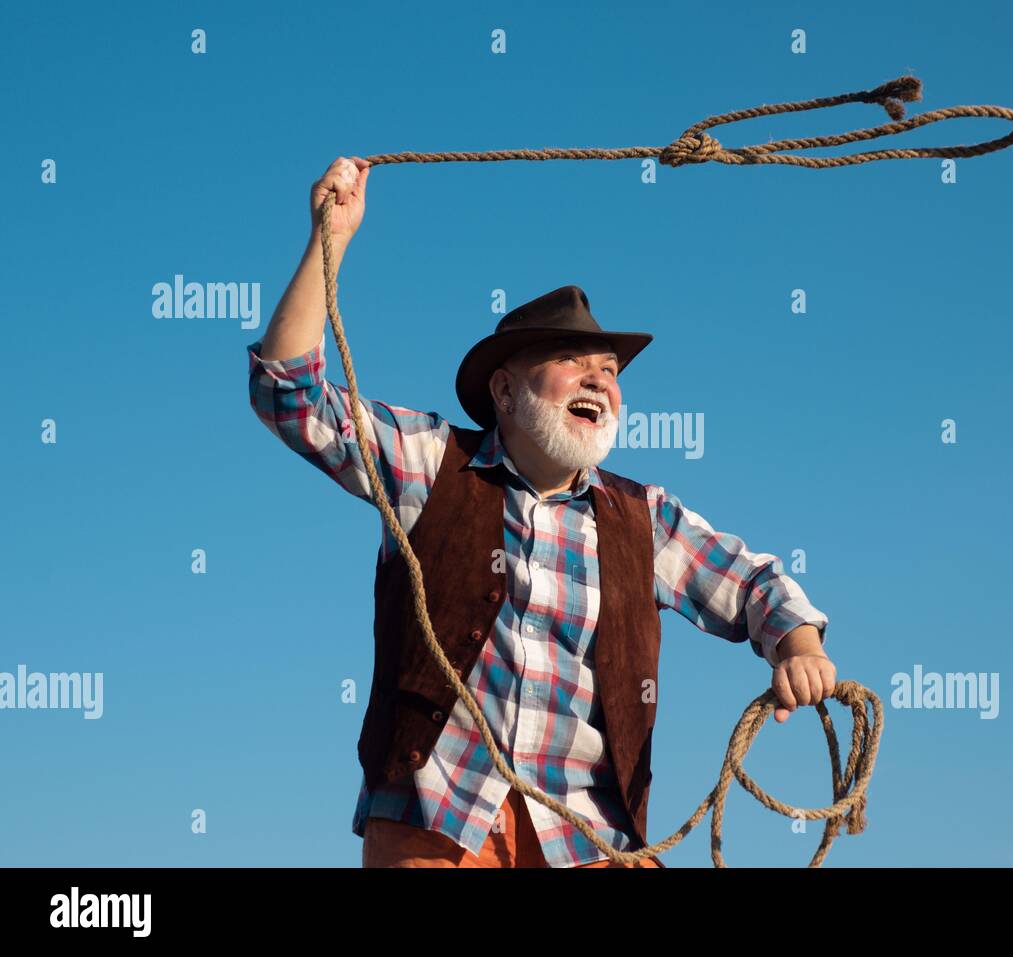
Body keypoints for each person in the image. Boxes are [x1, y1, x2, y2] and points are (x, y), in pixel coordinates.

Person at [246, 155, 837, 868]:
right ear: (504, 391)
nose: (600, 381)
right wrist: (329, 240)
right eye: (572, 362)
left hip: (589, 834)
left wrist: (799, 646)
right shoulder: (431, 463)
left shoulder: (643, 520)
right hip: (438, 820)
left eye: (609, 371)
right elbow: (291, 396)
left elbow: (755, 583)